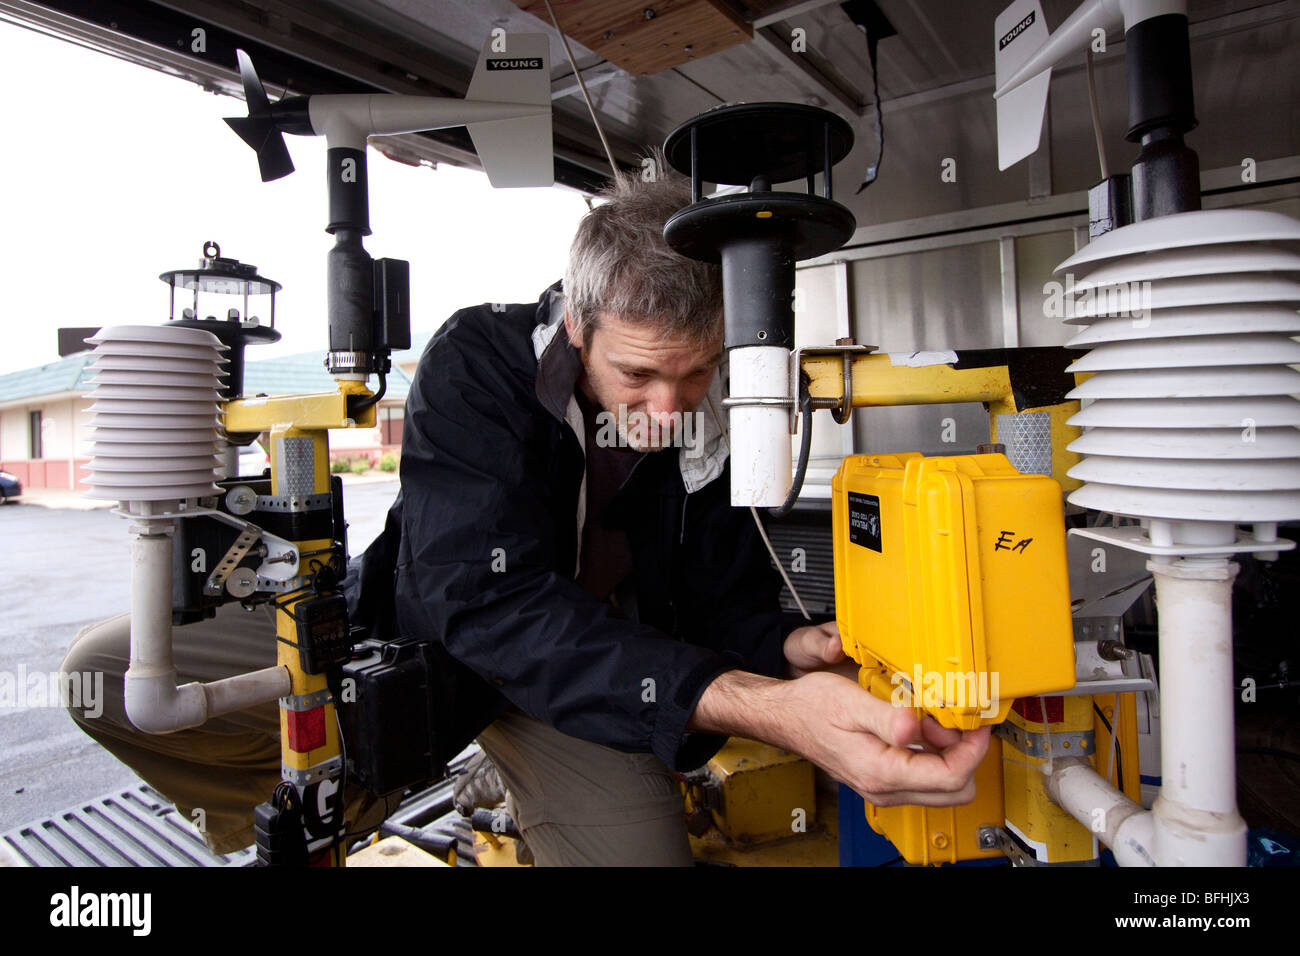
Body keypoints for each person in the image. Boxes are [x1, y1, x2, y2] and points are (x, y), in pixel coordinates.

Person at [63, 154, 989, 865]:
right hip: (429, 637)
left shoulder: (704, 414)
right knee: (101, 675)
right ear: (577, 326)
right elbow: (480, 601)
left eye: (698, 371)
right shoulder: (477, 362)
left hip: (595, 671)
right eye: (638, 374)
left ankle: (442, 767)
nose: (668, 410)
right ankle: (349, 797)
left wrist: (785, 651)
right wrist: (773, 713)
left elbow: (718, 590)